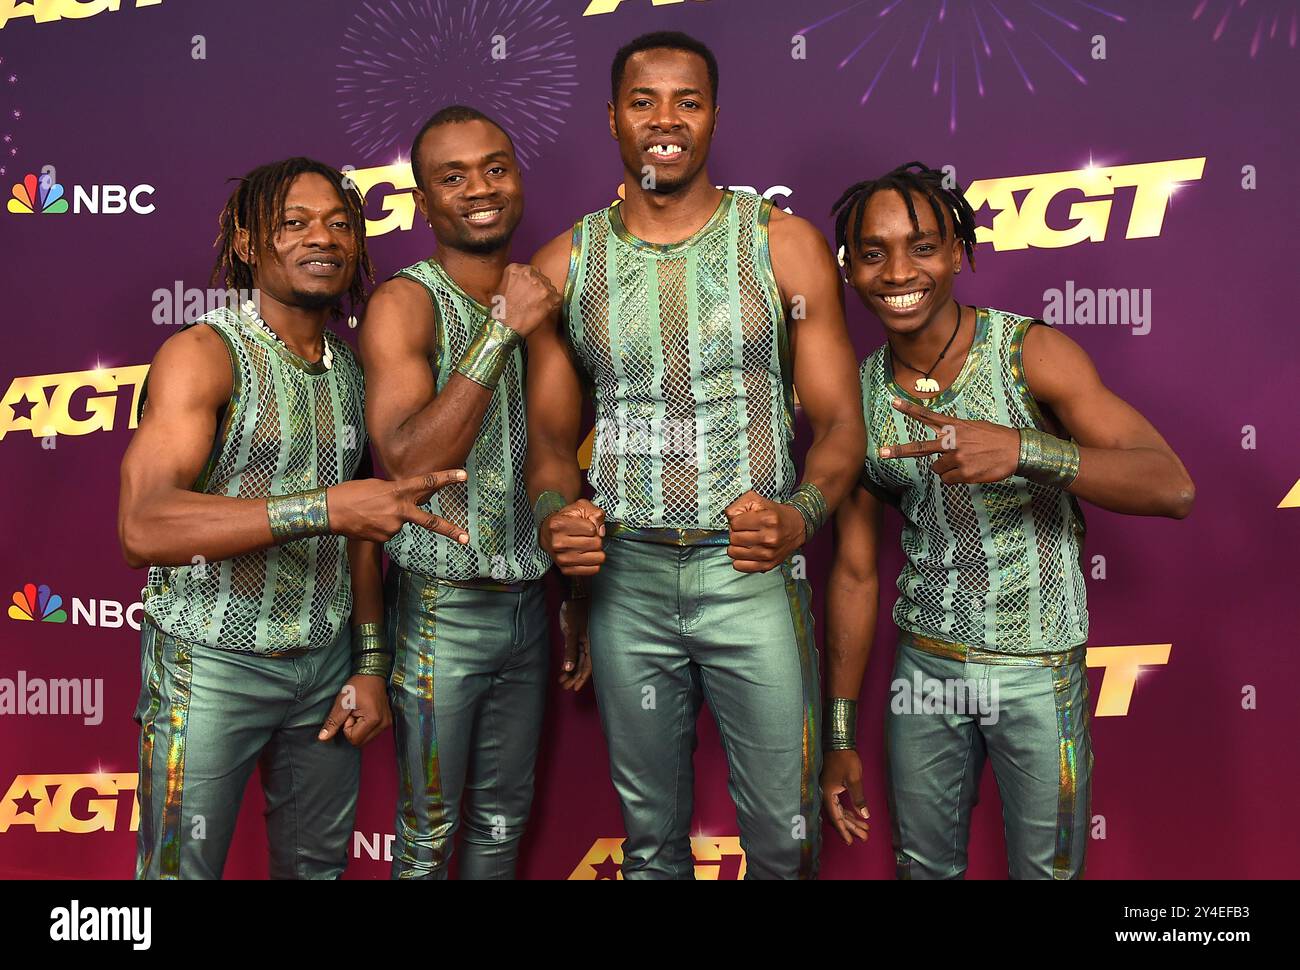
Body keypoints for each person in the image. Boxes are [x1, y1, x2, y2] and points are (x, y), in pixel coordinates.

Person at [525, 32, 865, 879]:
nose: (665, 121)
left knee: (785, 839)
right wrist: (551, 518)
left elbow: (840, 426)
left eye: (688, 101)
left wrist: (801, 517)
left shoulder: (781, 245)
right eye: (644, 102)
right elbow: (548, 447)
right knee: (651, 845)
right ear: (612, 118)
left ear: (715, 115)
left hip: (750, 571)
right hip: (627, 579)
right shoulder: (565, 265)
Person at [821, 162, 1195, 879]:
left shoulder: (1029, 354)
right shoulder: (857, 394)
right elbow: (855, 570)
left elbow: (1171, 486)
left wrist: (1025, 450)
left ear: (960, 252)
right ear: (849, 270)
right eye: (873, 253)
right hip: (925, 671)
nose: (899, 270)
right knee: (921, 870)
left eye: (924, 247)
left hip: (1036, 672)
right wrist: (839, 731)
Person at [118, 157, 467, 879]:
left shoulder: (347, 367)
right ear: (249, 244)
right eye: (295, 223)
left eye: (342, 224)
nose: (326, 238)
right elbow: (143, 526)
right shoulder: (205, 354)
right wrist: (326, 506)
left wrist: (369, 666)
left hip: (324, 670)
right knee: (178, 873)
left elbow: (363, 532)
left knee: (315, 871)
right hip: (208, 664)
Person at [359, 106, 584, 880]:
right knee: (426, 838)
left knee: (501, 828)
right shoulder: (404, 303)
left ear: (518, 178)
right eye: (452, 177)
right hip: (437, 610)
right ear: (423, 202)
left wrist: (572, 586)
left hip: (526, 605)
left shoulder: (545, 308)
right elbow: (408, 456)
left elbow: (553, 458)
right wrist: (501, 330)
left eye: (495, 167)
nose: (480, 188)